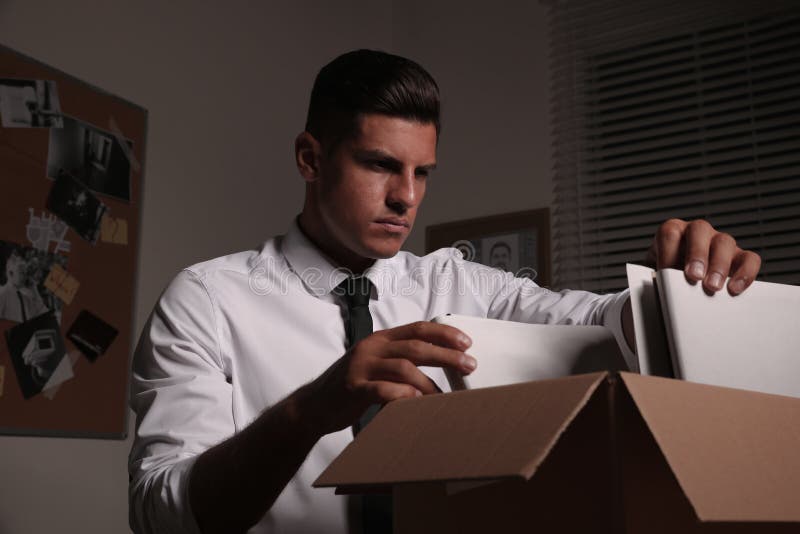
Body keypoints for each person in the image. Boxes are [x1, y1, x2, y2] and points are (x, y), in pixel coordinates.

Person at [128, 49, 761, 534]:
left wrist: (673, 290)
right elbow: (163, 513)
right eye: (380, 165)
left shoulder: (455, 283)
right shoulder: (207, 300)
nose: (406, 196)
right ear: (310, 158)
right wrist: (311, 410)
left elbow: (598, 323)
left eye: (421, 172)